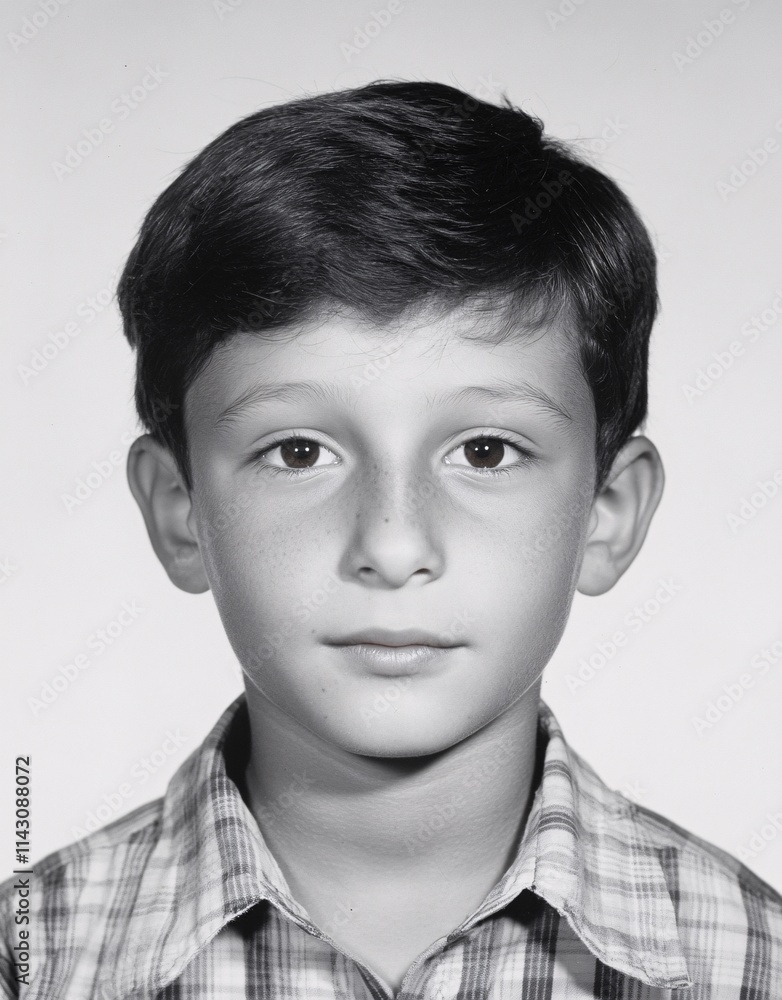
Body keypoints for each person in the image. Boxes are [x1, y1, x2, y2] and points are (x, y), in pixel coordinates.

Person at [2, 80, 780, 999]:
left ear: (608, 510)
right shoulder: (34, 962)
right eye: (299, 451)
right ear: (179, 510)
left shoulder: (751, 966)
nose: (394, 544)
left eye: (485, 451)